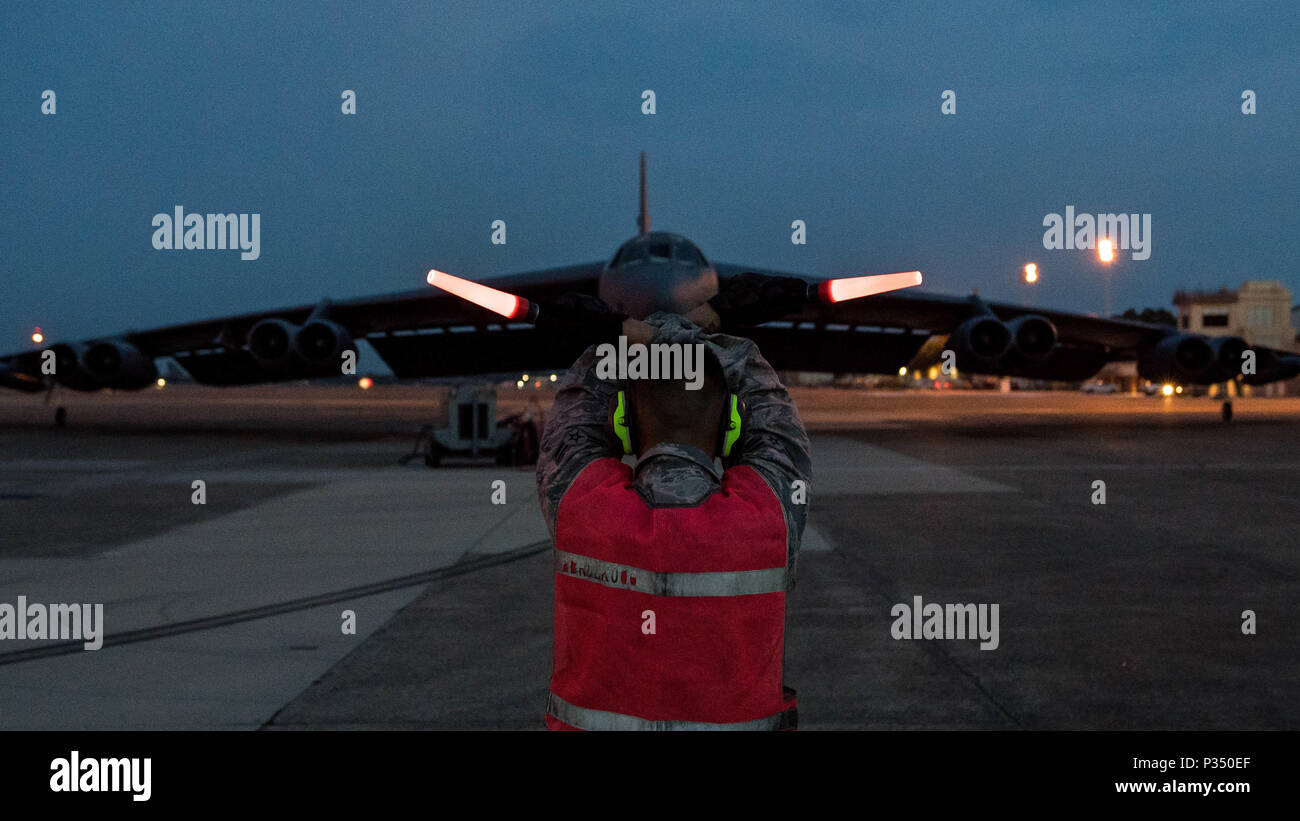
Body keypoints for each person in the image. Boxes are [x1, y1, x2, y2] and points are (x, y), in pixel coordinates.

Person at [534, 281, 812, 730]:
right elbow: (777, 421)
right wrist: (713, 334)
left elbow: (573, 419)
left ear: (622, 422)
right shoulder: (768, 516)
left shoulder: (580, 506)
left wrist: (625, 337)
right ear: (731, 423)